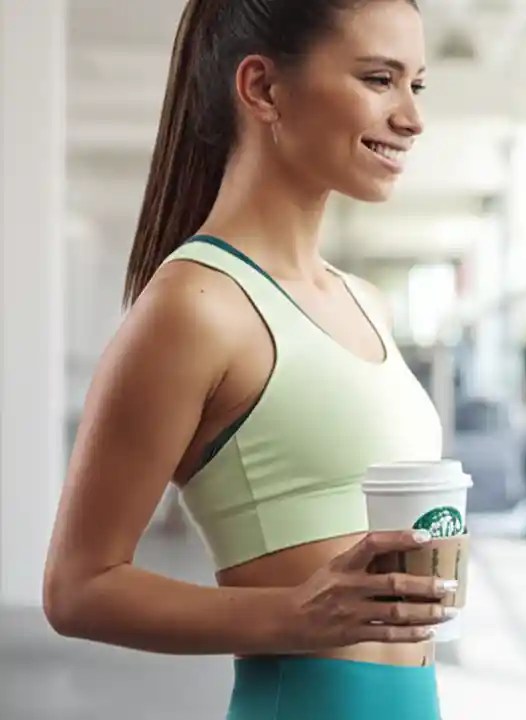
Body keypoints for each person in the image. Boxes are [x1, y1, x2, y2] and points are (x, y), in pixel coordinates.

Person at [41, 1, 454, 717]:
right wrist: (294, 616)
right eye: (378, 78)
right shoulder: (195, 306)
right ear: (263, 88)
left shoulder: (365, 301)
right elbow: (79, 586)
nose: (412, 119)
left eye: (416, 86)